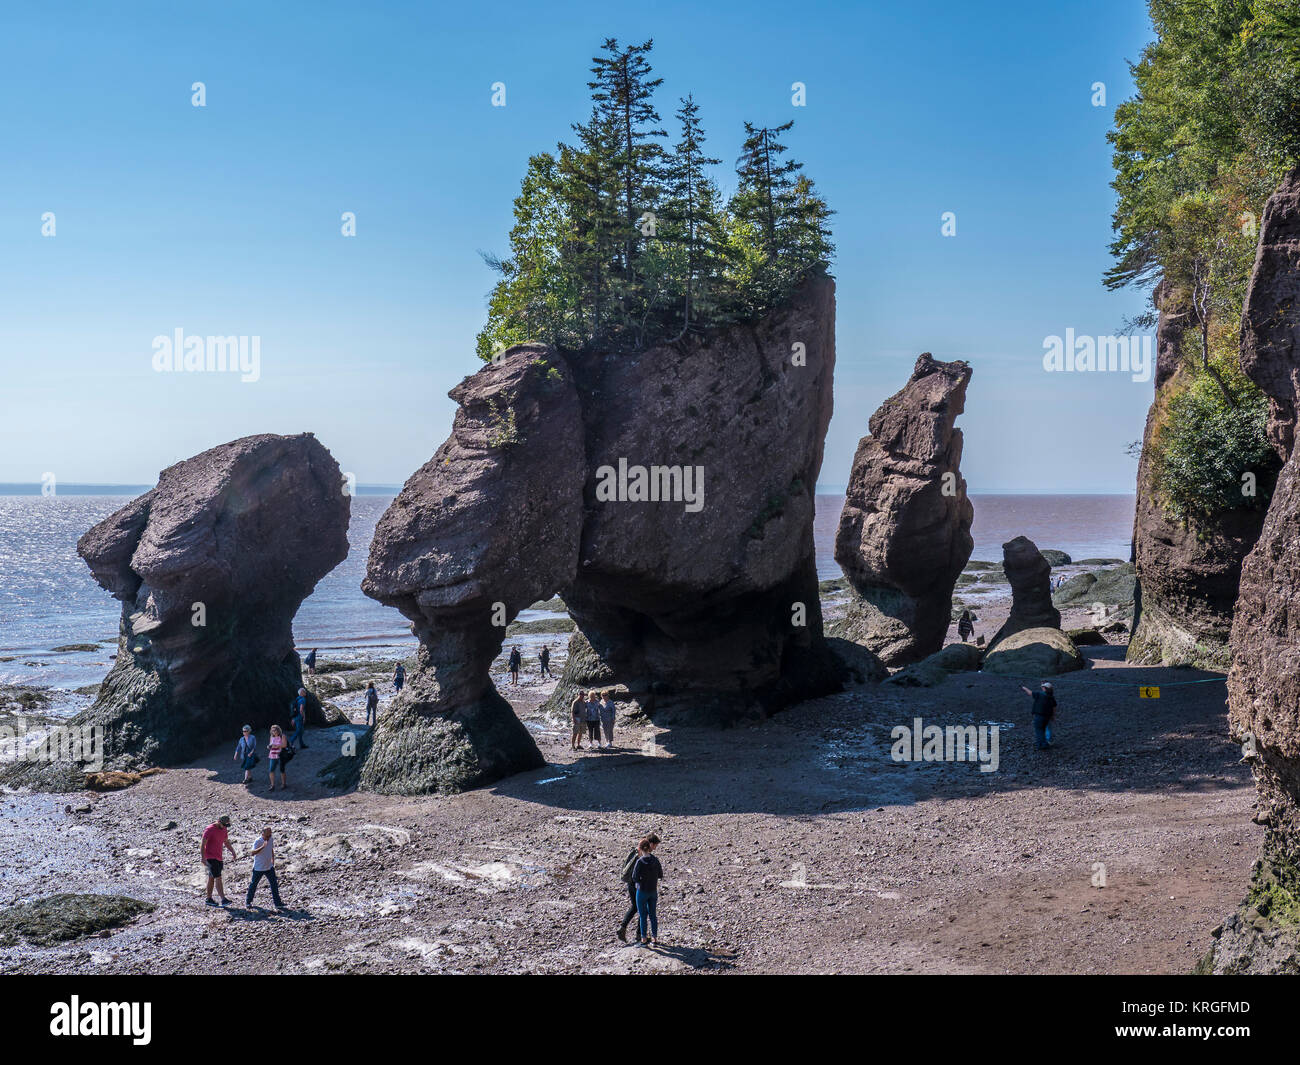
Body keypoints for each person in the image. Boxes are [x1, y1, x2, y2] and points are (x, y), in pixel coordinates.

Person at [617, 833, 659, 941]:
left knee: (635, 907)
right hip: (638, 885)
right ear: (651, 844)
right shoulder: (643, 856)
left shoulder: (637, 851)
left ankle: (623, 927)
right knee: (642, 908)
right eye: (655, 845)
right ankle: (640, 935)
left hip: (631, 883)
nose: (655, 848)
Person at [631, 836, 665, 946]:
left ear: (640, 849)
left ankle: (644, 939)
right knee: (653, 915)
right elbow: (660, 874)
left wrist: (641, 880)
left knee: (643, 916)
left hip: (642, 891)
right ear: (649, 847)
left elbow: (634, 877)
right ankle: (655, 938)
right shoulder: (655, 860)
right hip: (653, 891)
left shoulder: (640, 862)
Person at [245, 826, 286, 911]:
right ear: (262, 834)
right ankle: (248, 902)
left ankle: (278, 903)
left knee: (274, 884)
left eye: (270, 835)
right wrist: (262, 847)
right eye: (267, 836)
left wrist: (273, 859)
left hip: (269, 867)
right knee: (253, 885)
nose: (269, 837)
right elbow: (252, 853)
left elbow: (271, 849)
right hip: (258, 868)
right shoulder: (258, 841)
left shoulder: (270, 839)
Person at [201, 814, 238, 906]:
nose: (225, 827)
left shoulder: (224, 829)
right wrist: (203, 857)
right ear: (219, 822)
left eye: (226, 826)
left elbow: (226, 841)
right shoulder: (210, 829)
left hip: (218, 857)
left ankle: (208, 899)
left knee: (212, 877)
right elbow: (203, 843)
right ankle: (223, 899)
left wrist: (232, 851)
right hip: (210, 857)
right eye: (224, 825)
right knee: (218, 877)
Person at [1021, 681, 1057, 749]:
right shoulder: (1051, 697)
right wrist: (1053, 716)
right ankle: (1043, 743)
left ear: (1044, 688)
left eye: (1043, 687)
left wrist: (1025, 688)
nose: (1042, 688)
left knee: (1039, 730)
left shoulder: (1040, 694)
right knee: (1042, 730)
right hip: (1047, 717)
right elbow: (1054, 707)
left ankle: (1043, 745)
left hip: (1039, 716)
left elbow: (1030, 693)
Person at [267, 724, 288, 790]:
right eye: (273, 730)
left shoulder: (282, 736)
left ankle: (284, 784)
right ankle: (272, 785)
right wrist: (269, 747)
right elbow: (270, 744)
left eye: (275, 730)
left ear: (278, 730)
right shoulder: (271, 737)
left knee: (282, 770)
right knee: (271, 770)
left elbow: (284, 745)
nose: (274, 731)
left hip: (280, 755)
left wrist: (276, 746)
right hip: (272, 755)